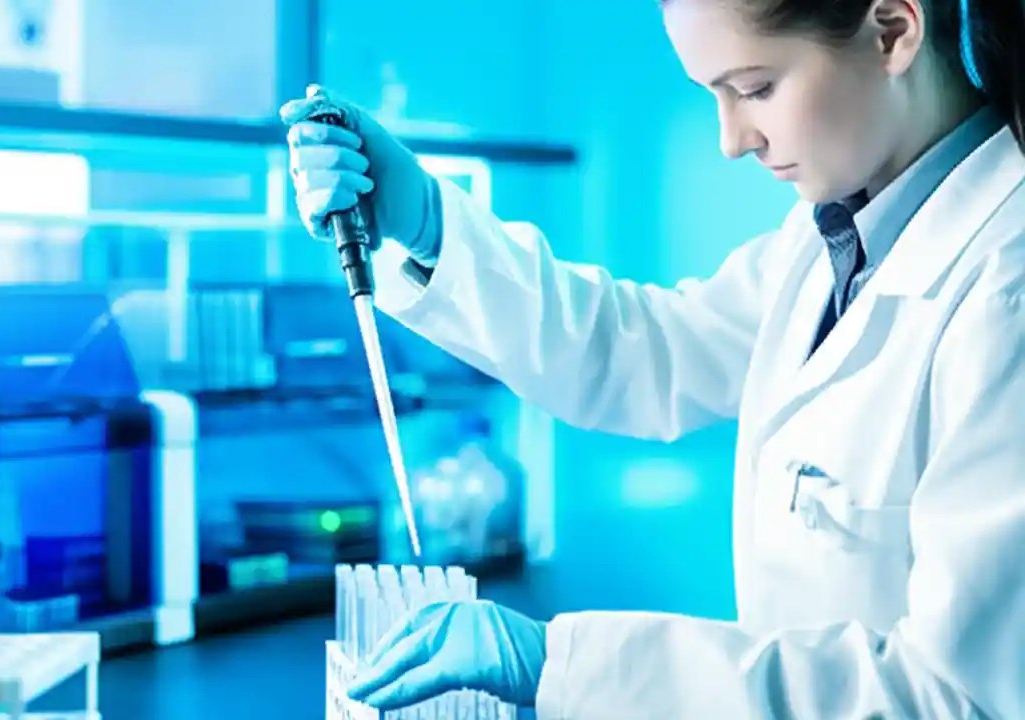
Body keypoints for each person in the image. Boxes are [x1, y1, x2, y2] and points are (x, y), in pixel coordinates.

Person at [281, 0, 1025, 716]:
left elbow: (960, 698)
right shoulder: (834, 237)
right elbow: (648, 354)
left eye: (755, 88)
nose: (733, 139)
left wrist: (560, 664)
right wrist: (425, 222)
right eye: (714, 95)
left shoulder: (1005, 288)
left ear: (892, 29)